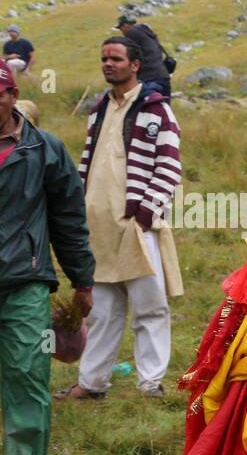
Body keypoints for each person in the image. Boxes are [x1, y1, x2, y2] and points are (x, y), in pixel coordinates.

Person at [57, 37, 182, 402]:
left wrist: (143, 216)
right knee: (102, 312)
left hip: (134, 227)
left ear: (135, 64)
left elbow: (169, 167)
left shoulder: (157, 110)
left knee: (150, 307)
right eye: (104, 59)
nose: (108, 64)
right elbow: (86, 164)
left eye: (116, 58)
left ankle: (150, 383)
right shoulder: (98, 109)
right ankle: (91, 383)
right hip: (98, 228)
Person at [0, 62, 95, 455]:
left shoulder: (46, 150)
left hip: (26, 280)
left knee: (28, 369)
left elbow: (69, 219)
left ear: (11, 95)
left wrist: (82, 279)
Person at [114, 14, 172, 96]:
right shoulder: (146, 32)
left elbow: (127, 54)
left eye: (121, 28)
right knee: (164, 107)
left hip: (149, 77)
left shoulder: (131, 32)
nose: (122, 31)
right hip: (163, 75)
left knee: (149, 107)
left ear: (125, 25)